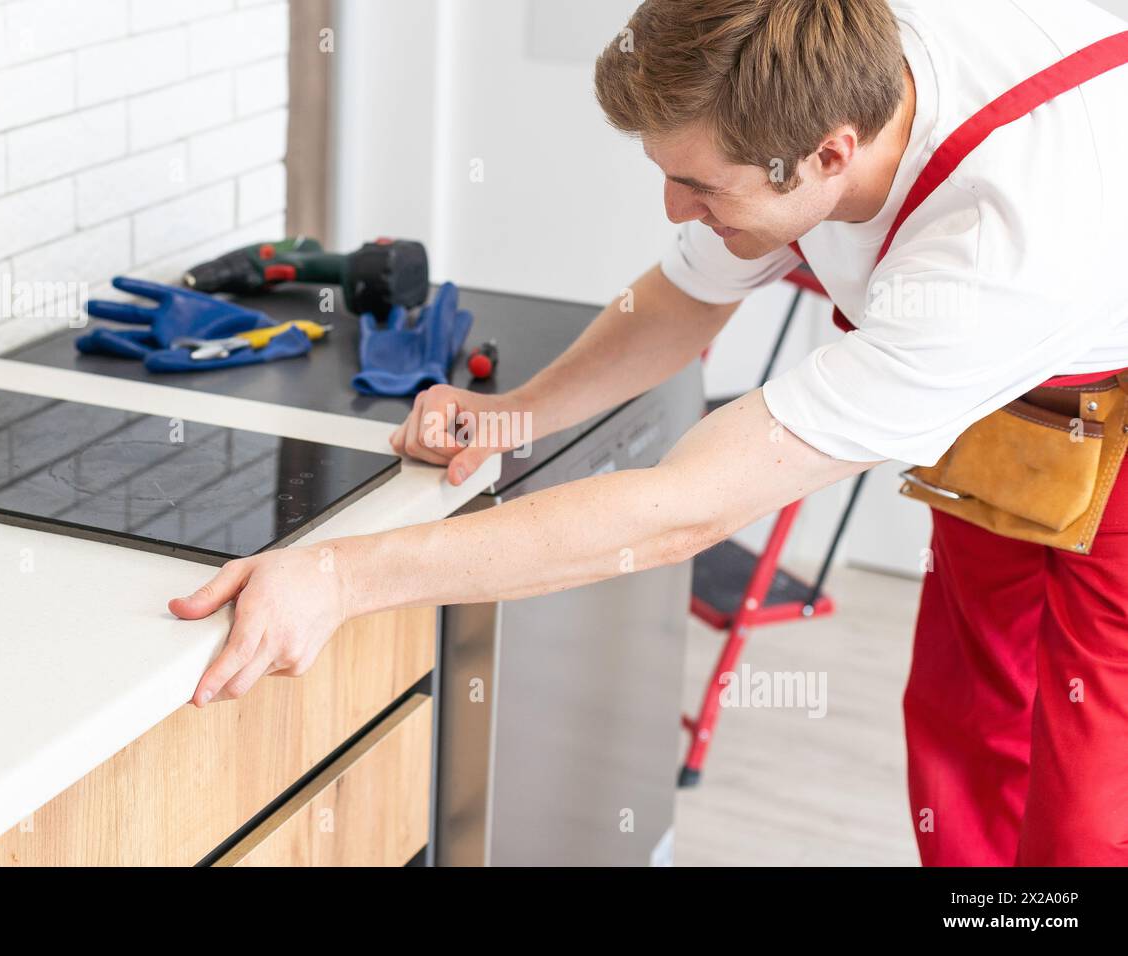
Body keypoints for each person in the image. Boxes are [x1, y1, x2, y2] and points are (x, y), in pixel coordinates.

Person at [171, 0, 1128, 866]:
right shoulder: (822, 62)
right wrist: (517, 411)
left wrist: (341, 577)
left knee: (1089, 794)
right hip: (1016, 415)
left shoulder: (991, 255)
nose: (674, 209)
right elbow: (683, 297)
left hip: (1105, 395)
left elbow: (680, 512)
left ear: (832, 157)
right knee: (969, 715)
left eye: (700, 188)